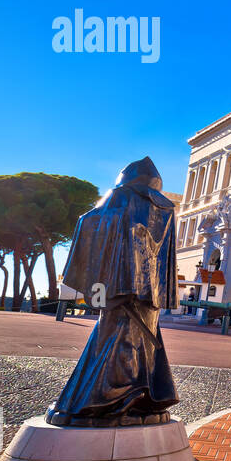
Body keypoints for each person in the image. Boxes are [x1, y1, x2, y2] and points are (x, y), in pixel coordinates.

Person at [47, 157, 181, 427]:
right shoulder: (165, 208)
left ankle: (105, 401)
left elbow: (90, 221)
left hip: (120, 291)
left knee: (115, 341)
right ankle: (138, 397)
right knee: (136, 344)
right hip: (148, 294)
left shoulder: (118, 198)